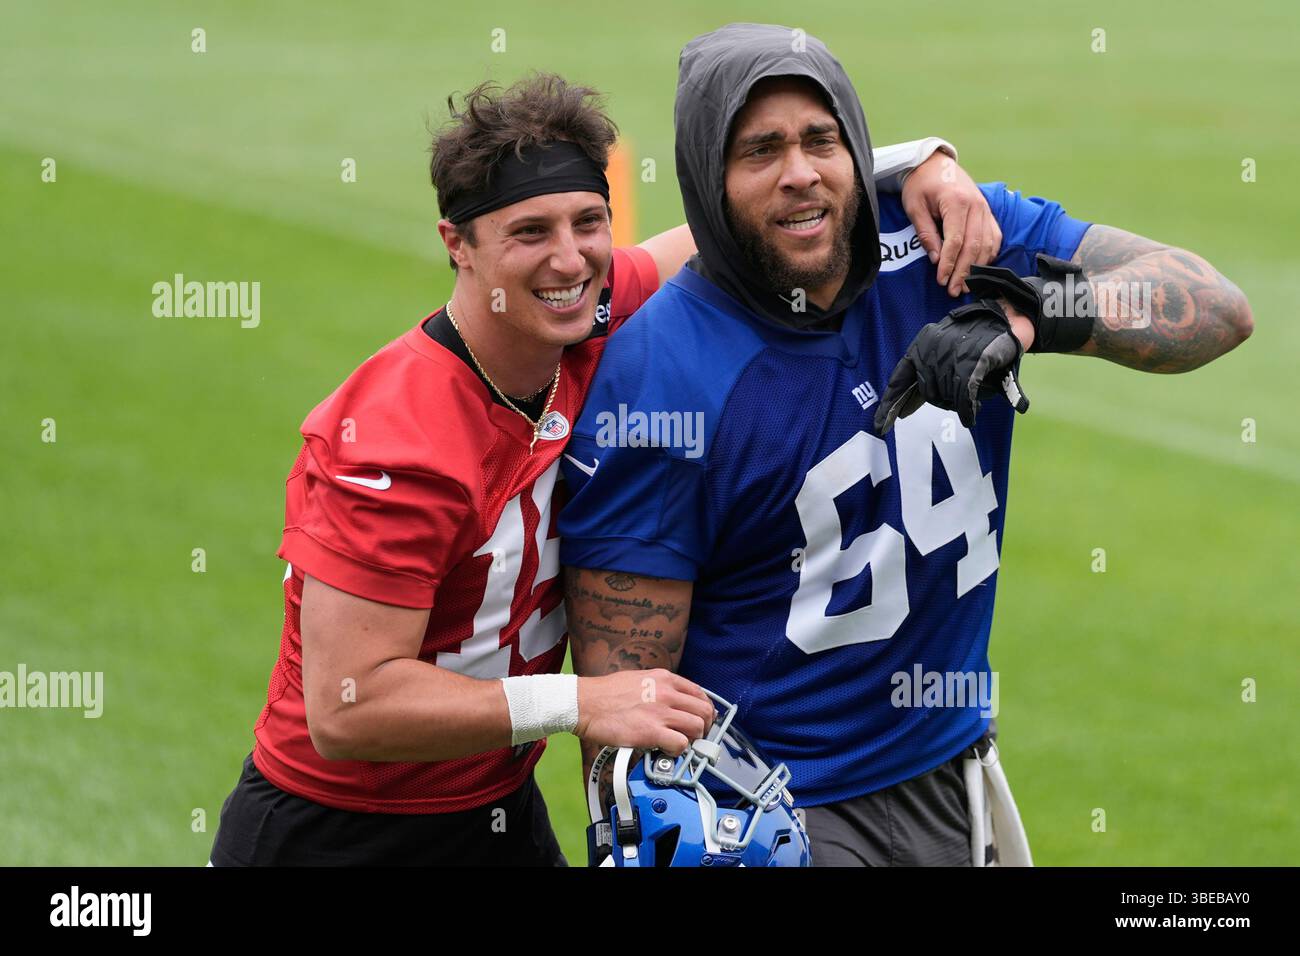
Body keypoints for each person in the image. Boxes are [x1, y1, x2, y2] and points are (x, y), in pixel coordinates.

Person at [208, 70, 1000, 866]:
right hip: (334, 833)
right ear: (458, 244)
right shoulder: (390, 436)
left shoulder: (587, 316)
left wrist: (923, 164)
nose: (569, 258)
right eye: (529, 233)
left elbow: (746, 215)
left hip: (495, 813)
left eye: (589, 222)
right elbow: (348, 709)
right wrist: (581, 701)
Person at [558, 24, 1253, 866]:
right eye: (760, 151)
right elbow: (626, 716)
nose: (800, 171)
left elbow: (1216, 307)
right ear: (709, 179)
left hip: (951, 780)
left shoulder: (953, 239)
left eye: (822, 139)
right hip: (775, 815)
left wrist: (1026, 314)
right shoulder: (661, 374)